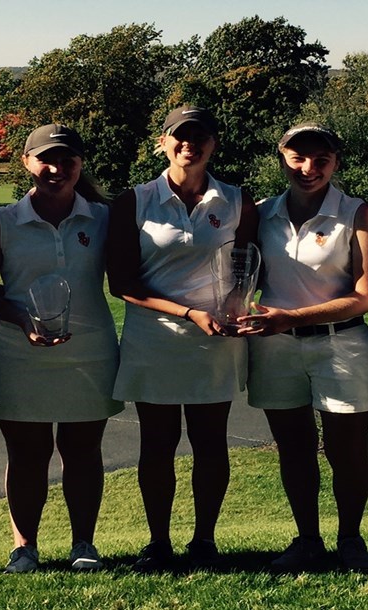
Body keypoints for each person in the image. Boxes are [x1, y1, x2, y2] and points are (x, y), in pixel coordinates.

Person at [106, 105, 258, 570]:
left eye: (200, 136)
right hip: (155, 338)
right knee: (158, 442)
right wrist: (190, 312)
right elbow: (123, 284)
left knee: (211, 441)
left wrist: (237, 303)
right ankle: (158, 542)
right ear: (163, 141)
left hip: (217, 338)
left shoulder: (236, 200)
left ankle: (204, 541)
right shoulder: (134, 200)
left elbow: (247, 264)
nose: (189, 143)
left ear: (213, 144)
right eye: (180, 135)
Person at [0, 124, 122, 574]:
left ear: (81, 164)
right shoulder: (0, 222)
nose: (56, 169)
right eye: (45, 160)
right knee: (27, 454)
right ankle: (24, 547)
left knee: (83, 450)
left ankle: (84, 544)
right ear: (26, 163)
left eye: (68, 160)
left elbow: (131, 278)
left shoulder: (103, 218)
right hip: (20, 354)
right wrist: (22, 319)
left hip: (91, 352)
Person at [238, 123, 368, 572]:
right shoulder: (262, 212)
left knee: (347, 451)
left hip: (341, 344)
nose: (308, 168)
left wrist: (293, 318)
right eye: (297, 158)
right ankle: (307, 540)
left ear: (336, 161)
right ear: (282, 157)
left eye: (320, 159)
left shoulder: (358, 215)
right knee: (293, 448)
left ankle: (350, 539)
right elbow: (242, 277)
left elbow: (367, 295)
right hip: (275, 347)